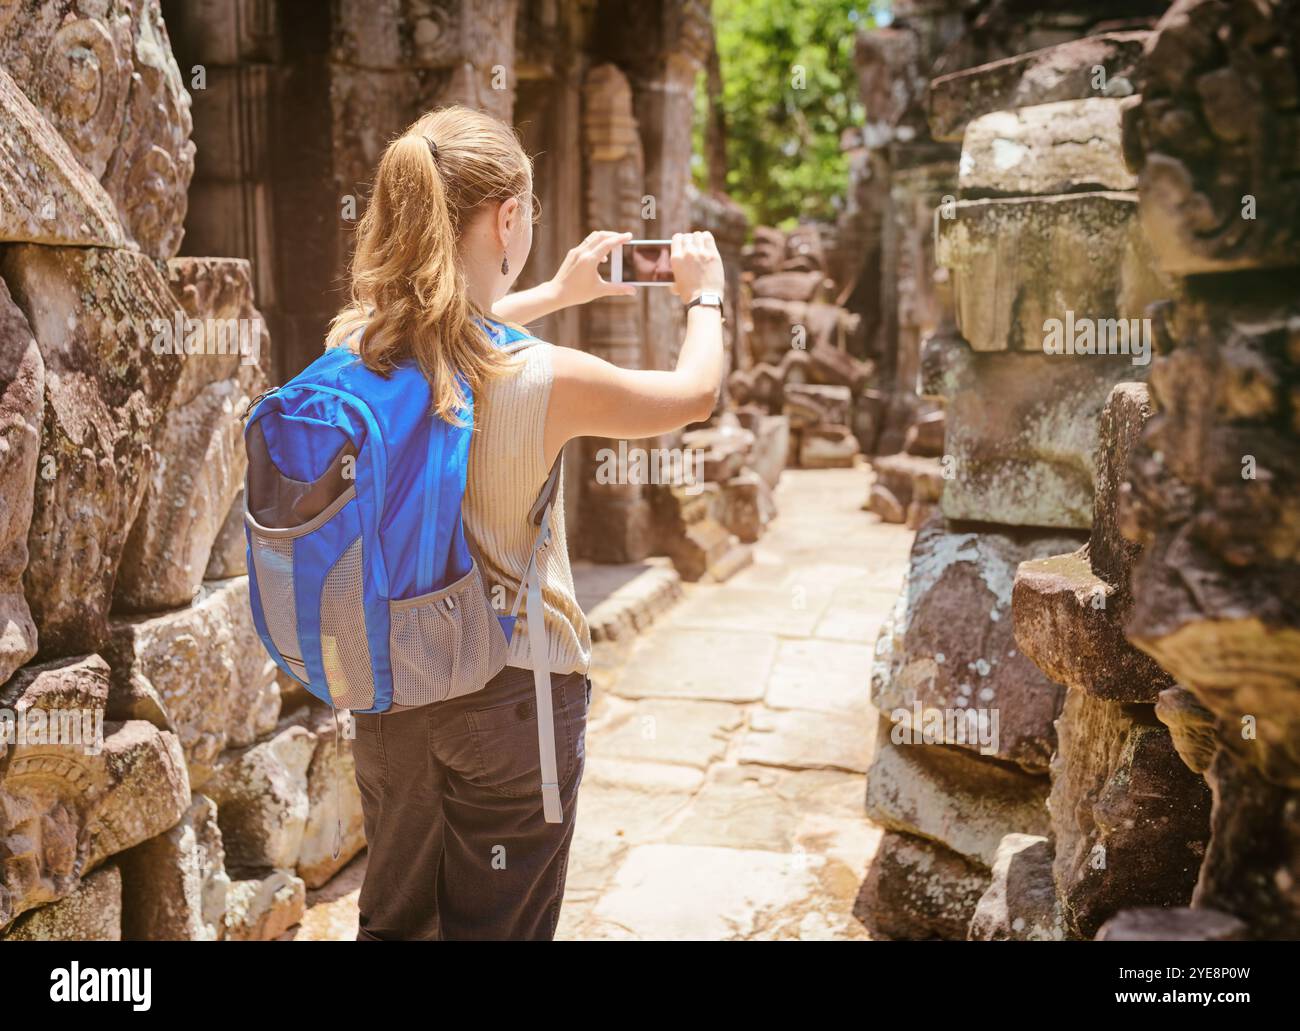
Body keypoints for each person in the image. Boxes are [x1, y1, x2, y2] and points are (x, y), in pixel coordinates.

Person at [325, 104, 725, 941]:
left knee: (393, 922)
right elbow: (694, 394)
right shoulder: (544, 379)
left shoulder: (351, 348)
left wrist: (553, 291)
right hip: (513, 694)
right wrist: (705, 297)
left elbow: (446, 331)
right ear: (507, 218)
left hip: (390, 689)